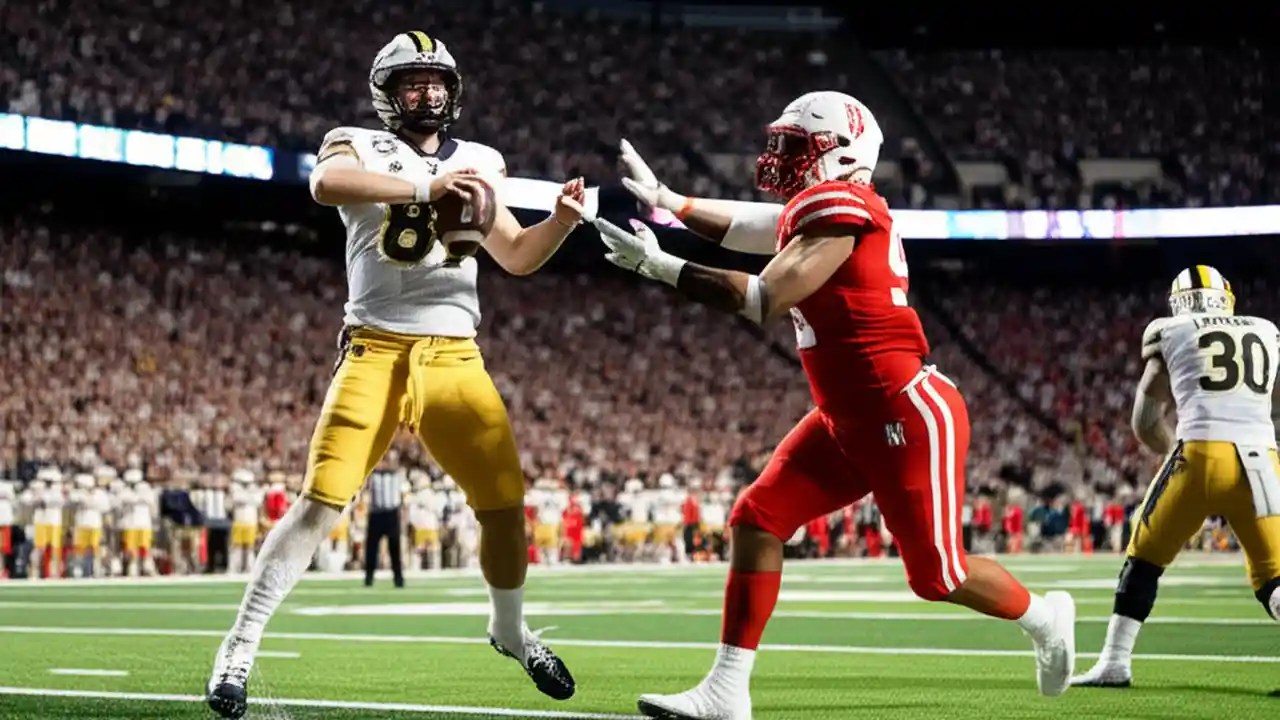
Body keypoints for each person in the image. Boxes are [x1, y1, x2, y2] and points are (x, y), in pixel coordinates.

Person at [598, 91, 1077, 719]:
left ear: (842, 154)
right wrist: (671, 203)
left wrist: (662, 266)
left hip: (904, 412)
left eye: (797, 147)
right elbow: (753, 225)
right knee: (757, 519)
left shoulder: (844, 204)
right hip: (846, 417)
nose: (780, 159)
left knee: (938, 577)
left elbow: (767, 294)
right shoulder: (825, 206)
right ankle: (726, 690)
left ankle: (1046, 620)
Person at [206, 31, 583, 719]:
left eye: (437, 80)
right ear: (387, 93)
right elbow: (325, 185)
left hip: (454, 353)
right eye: (413, 81)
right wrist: (425, 184)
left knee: (504, 503)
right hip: (375, 348)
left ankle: (509, 630)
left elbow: (520, 255)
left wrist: (559, 221)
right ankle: (240, 643)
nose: (429, 92)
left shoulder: (482, 160)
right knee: (321, 500)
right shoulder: (354, 140)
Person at [1072, 266, 1280, 688]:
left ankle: (1115, 660)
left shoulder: (1172, 330)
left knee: (1143, 557)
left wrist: (1170, 449)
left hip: (1201, 453)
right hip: (1263, 460)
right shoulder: (1266, 330)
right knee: (1274, 573)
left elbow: (1145, 418)